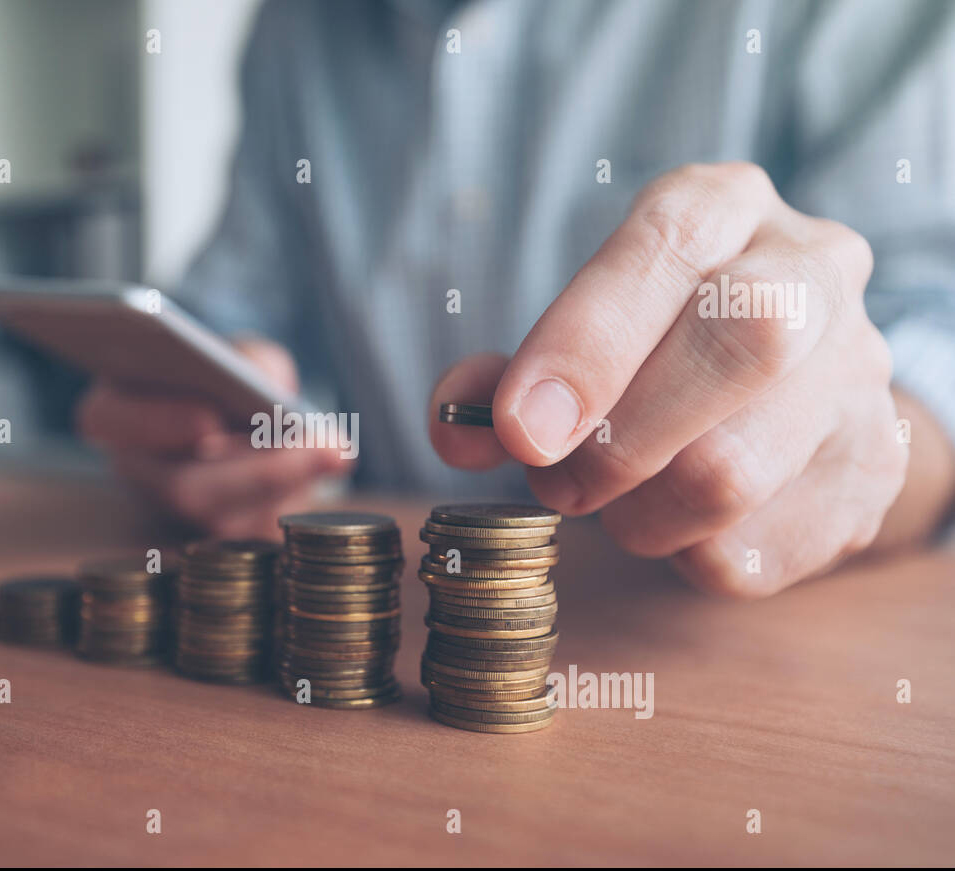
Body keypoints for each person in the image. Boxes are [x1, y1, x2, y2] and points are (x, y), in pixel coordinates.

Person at [79, 0, 955, 597]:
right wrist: (216, 411)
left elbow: (930, 351)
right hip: (371, 635)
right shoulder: (296, 29)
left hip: (715, 654)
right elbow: (242, 311)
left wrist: (865, 435)